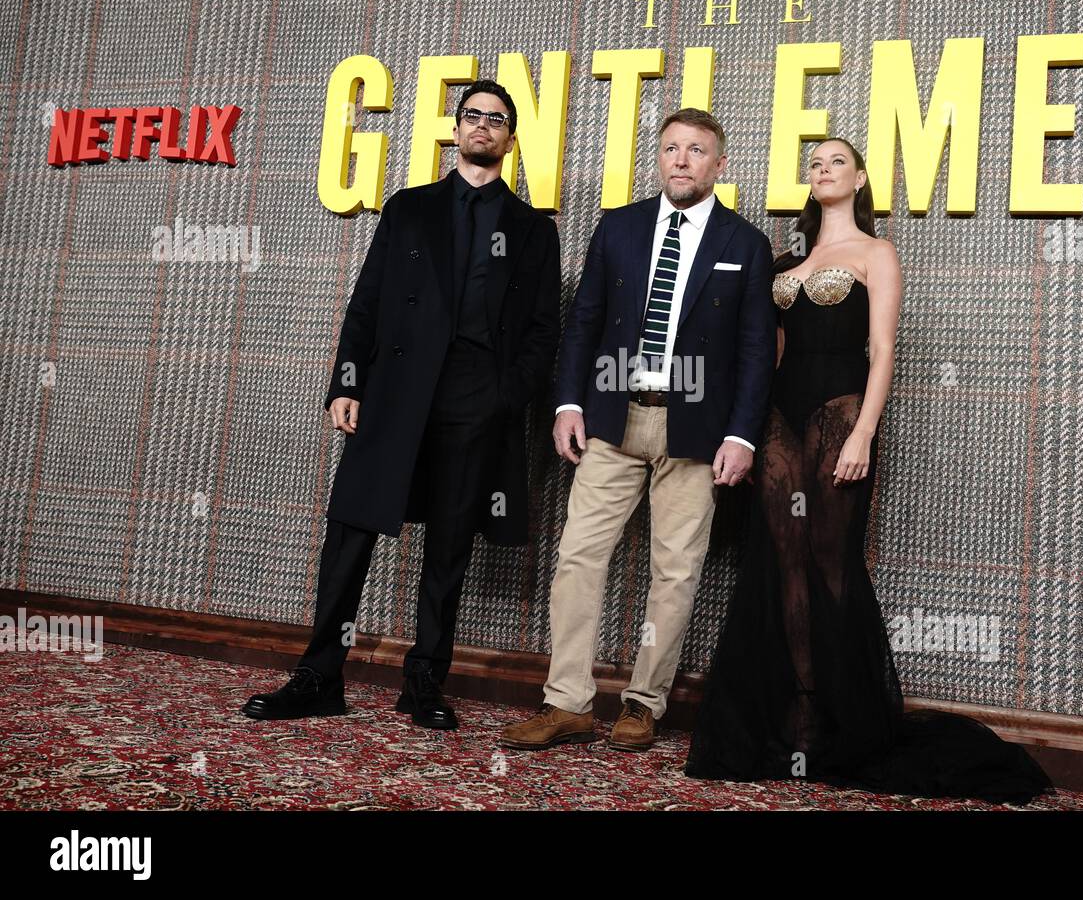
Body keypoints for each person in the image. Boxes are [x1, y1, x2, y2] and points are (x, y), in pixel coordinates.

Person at [683, 138, 1052, 804]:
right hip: (778, 421)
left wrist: (863, 432)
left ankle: (841, 717)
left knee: (830, 561)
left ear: (859, 179)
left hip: (840, 413)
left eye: (836, 162)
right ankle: (795, 713)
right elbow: (764, 352)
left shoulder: (878, 254)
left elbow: (881, 350)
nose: (823, 170)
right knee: (779, 561)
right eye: (815, 163)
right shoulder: (785, 258)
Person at [241, 80, 561, 730]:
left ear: (509, 137)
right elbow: (367, 303)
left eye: (496, 120)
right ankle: (319, 676)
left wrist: (507, 396)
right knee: (351, 531)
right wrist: (345, 383)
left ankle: (424, 684)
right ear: (455, 128)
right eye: (472, 116)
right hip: (395, 388)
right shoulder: (408, 209)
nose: (482, 127)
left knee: (448, 546)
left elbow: (543, 333)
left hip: (476, 394)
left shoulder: (532, 230)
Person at [499, 108, 777, 752]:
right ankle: (567, 701)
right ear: (659, 156)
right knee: (577, 557)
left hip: (698, 427)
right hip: (613, 416)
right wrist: (568, 404)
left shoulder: (744, 244)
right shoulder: (619, 227)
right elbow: (584, 322)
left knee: (675, 570)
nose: (682, 160)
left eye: (698, 150)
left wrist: (742, 435)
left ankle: (644, 703)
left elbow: (757, 350)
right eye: (672, 148)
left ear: (719, 163)